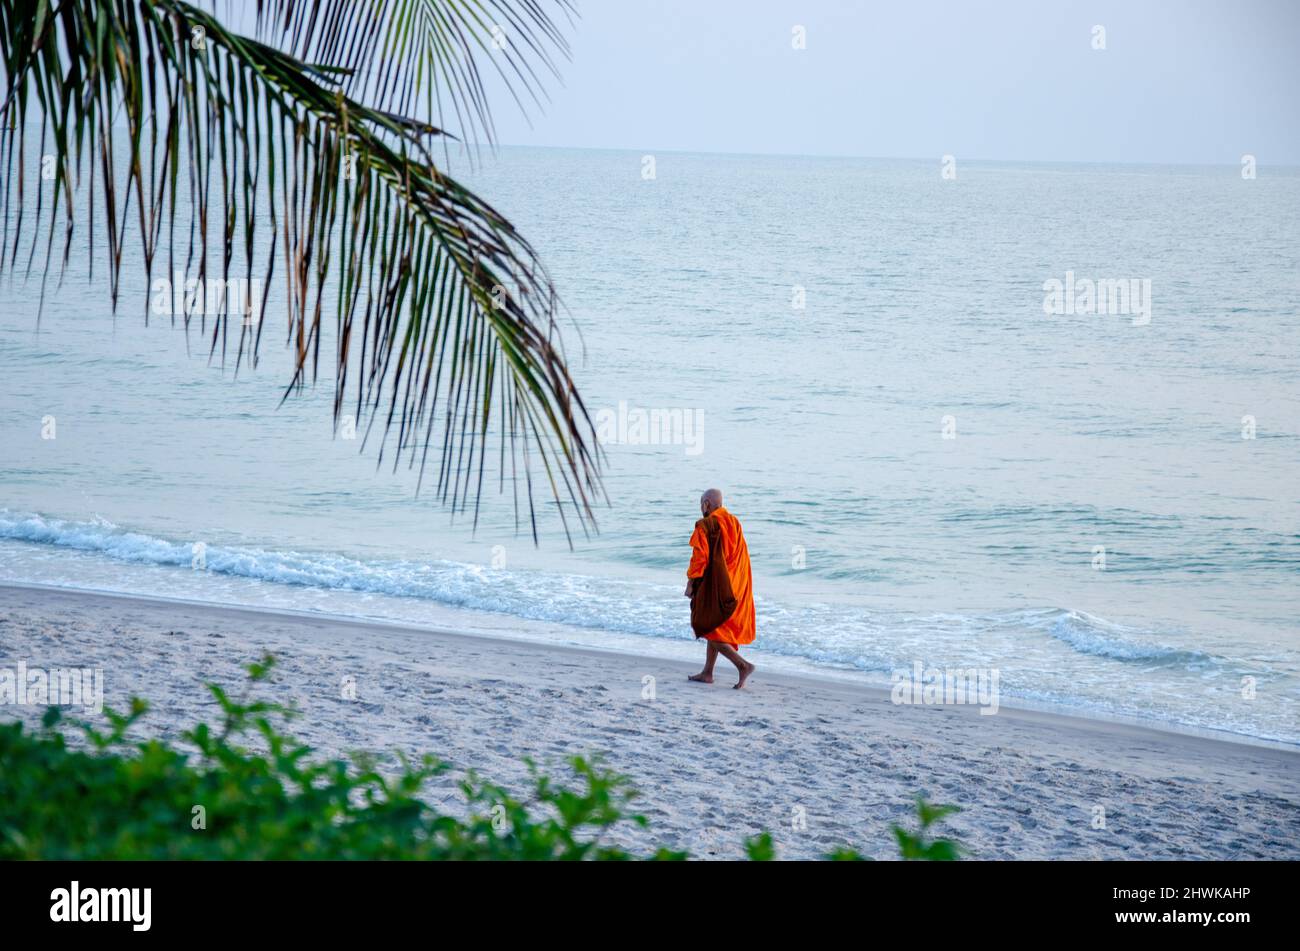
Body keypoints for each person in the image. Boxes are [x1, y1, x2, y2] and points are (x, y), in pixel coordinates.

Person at [685, 488, 756, 688]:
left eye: (701, 504)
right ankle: (708, 672)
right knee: (715, 625)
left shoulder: (706, 525)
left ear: (707, 504)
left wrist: (691, 583)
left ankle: (742, 665)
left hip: (716, 585)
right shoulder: (734, 522)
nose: (701, 508)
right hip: (736, 584)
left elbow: (700, 559)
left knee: (706, 625)